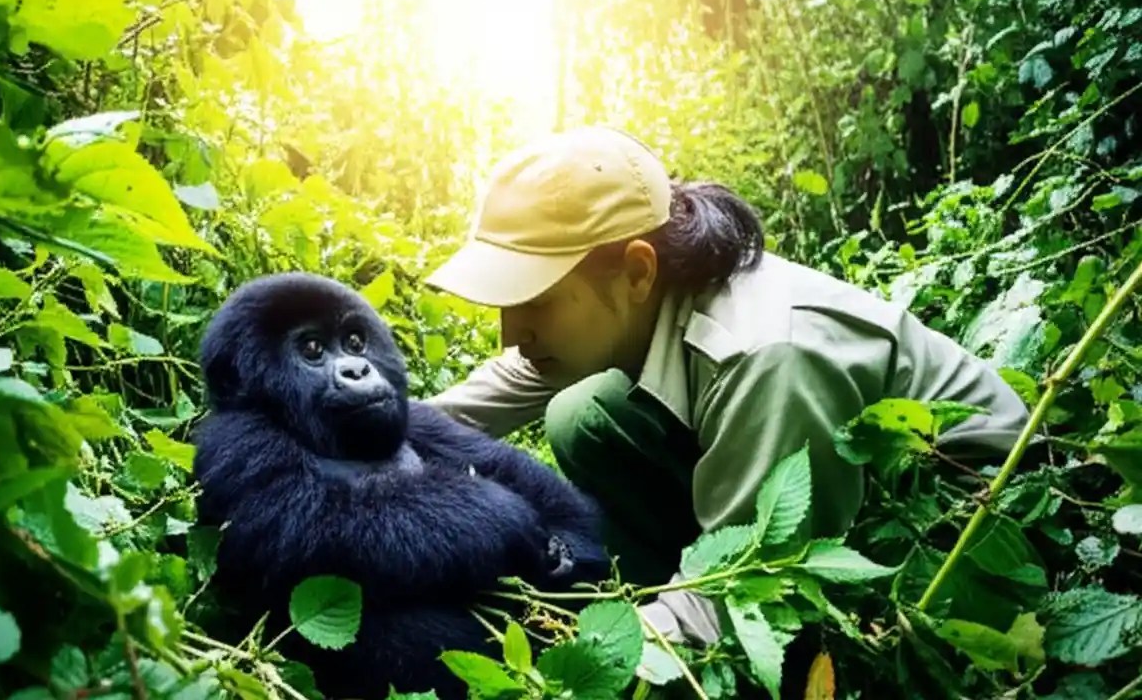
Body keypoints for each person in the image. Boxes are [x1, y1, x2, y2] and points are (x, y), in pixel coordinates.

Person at [421, 125, 1030, 646]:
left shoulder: (762, 357)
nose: (510, 332)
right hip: (833, 473)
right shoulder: (646, 302)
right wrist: (352, 442)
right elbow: (480, 400)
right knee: (585, 412)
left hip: (970, 520)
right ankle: (665, 585)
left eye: (535, 300)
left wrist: (586, 657)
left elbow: (745, 590)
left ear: (636, 271)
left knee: (767, 614)